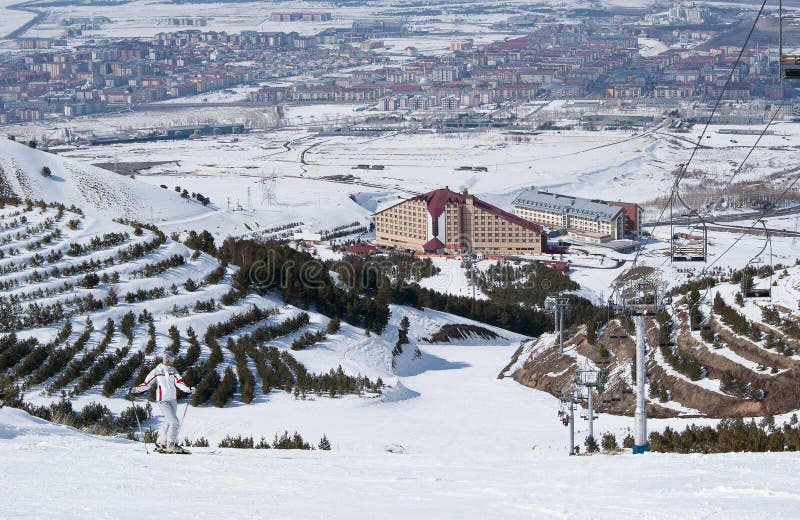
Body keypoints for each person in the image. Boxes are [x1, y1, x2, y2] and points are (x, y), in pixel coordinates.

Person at [129, 357, 193, 452]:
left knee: (168, 422)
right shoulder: (156, 371)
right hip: (162, 400)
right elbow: (146, 384)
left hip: (173, 400)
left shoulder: (173, 370)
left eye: (169, 357)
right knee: (174, 422)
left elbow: (179, 382)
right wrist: (134, 390)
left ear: (171, 359)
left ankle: (162, 443)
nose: (167, 359)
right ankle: (171, 445)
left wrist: (188, 389)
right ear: (163, 359)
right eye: (165, 357)